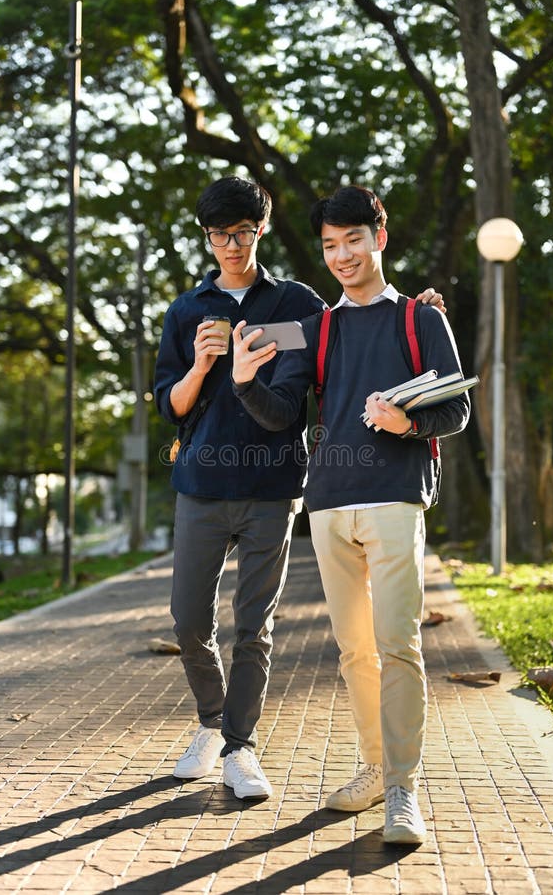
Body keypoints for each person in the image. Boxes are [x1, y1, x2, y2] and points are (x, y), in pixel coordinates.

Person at [154, 176, 444, 802]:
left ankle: (240, 745)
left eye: (241, 232)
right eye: (218, 235)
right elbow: (172, 407)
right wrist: (206, 366)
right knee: (189, 622)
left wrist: (420, 310)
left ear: (259, 230)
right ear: (206, 239)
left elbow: (338, 342)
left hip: (277, 487)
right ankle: (212, 723)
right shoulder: (186, 311)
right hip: (209, 484)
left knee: (258, 628)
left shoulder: (295, 306)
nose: (231, 245)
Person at [231, 184, 470, 841]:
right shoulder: (316, 329)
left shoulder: (423, 320)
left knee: (397, 646)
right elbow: (281, 408)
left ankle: (402, 790)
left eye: (353, 240)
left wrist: (405, 421)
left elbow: (455, 410)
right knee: (354, 652)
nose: (342, 255)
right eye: (330, 246)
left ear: (379, 238)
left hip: (394, 501)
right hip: (329, 507)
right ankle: (371, 768)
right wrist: (247, 378)